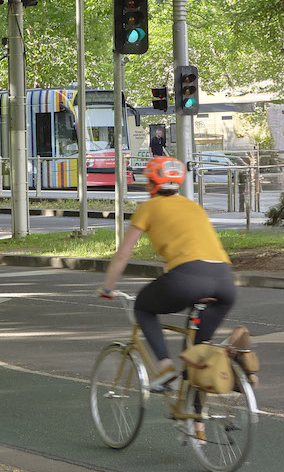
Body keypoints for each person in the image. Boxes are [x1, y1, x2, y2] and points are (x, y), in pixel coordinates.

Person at [98, 155, 235, 390]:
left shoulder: (148, 208)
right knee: (197, 359)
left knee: (142, 305)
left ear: (152, 185)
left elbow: (123, 253)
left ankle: (165, 367)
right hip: (225, 282)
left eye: (146, 182)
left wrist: (108, 287)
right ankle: (196, 421)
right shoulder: (194, 207)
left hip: (187, 278)